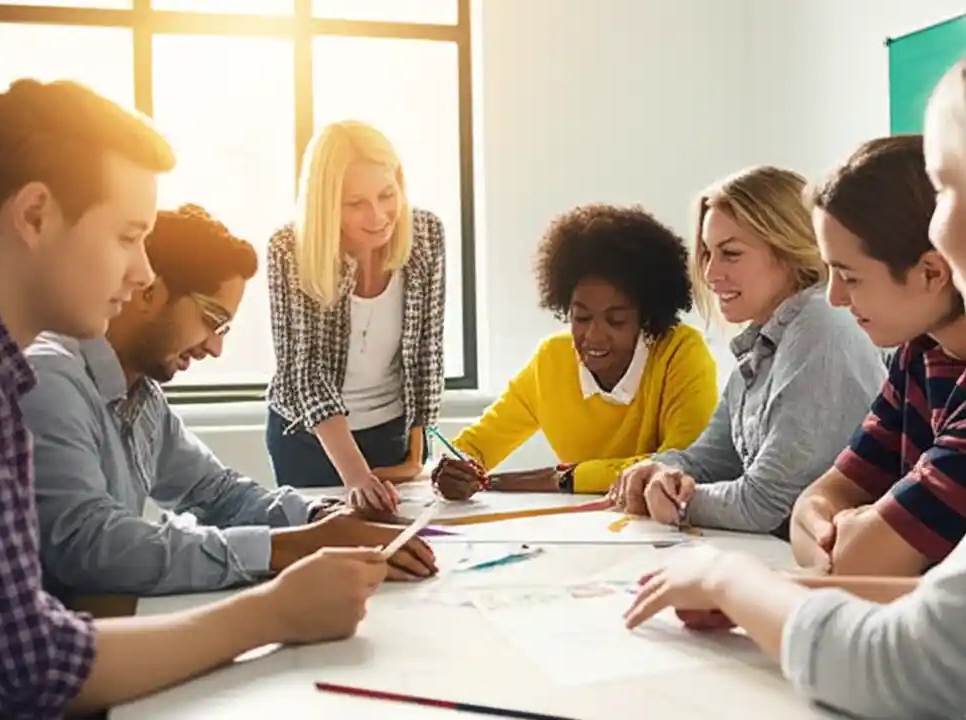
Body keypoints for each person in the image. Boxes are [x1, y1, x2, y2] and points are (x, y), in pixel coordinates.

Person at [625, 15, 966, 717]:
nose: (936, 230)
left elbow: (909, 671)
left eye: (945, 191)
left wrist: (731, 580)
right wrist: (768, 593)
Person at [0, 79, 385, 718]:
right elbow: (26, 668)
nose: (141, 273)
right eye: (128, 236)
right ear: (34, 216)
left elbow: (213, 493)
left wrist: (314, 523)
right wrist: (274, 612)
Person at [23, 203, 435, 600]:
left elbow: (217, 493)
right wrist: (292, 546)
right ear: (148, 292)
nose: (215, 348)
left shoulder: (143, 396)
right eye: (212, 321)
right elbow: (91, 546)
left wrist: (319, 518)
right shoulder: (50, 379)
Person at [786, 134, 966, 576]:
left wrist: (855, 537)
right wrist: (844, 534)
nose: (835, 298)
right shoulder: (919, 350)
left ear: (931, 272)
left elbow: (868, 559)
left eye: (850, 277)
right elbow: (818, 501)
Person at [608, 167, 885, 534]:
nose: (709, 274)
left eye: (731, 253)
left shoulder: (822, 325)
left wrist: (673, 500)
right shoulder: (759, 345)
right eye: (707, 253)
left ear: (787, 249)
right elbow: (708, 462)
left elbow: (764, 504)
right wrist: (660, 471)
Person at [431, 204, 717, 498]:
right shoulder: (552, 360)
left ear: (646, 318)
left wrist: (566, 478)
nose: (593, 336)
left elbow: (687, 464)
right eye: (581, 318)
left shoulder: (682, 353)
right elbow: (476, 446)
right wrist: (456, 468)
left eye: (615, 321)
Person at [265, 120, 445, 511]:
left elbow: (428, 349)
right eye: (355, 203)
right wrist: (356, 476)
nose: (378, 215)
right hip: (311, 441)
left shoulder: (427, 234)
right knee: (328, 553)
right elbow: (304, 371)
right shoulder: (289, 250)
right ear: (327, 203)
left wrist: (415, 457)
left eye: (386, 194)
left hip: (392, 434)